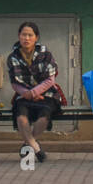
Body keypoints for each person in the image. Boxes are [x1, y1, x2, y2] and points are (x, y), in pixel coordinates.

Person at [7, 21, 61, 162]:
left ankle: (27, 144)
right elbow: (14, 82)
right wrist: (27, 94)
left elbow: (50, 80)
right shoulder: (13, 57)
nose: (26, 38)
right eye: (24, 35)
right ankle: (36, 148)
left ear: (36, 37)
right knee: (20, 115)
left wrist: (34, 93)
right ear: (19, 36)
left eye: (30, 35)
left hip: (47, 94)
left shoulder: (46, 55)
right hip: (23, 95)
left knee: (44, 115)